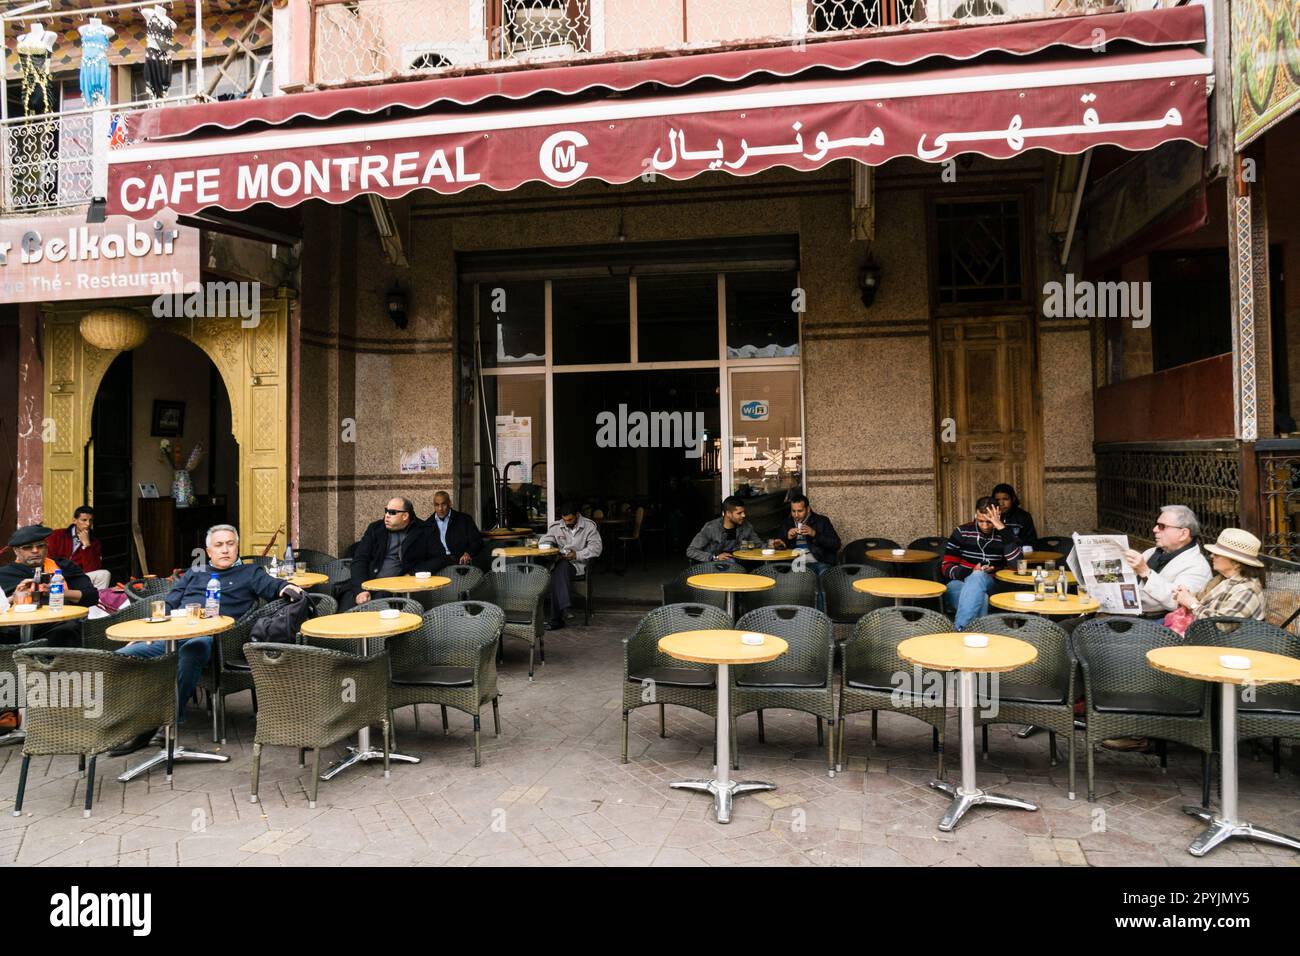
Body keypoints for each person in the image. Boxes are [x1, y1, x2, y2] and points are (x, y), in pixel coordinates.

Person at [111, 524, 302, 755]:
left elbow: (276, 586)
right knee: (120, 658)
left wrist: (288, 588)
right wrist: (146, 631)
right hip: (174, 632)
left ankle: (164, 725)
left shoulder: (250, 573)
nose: (225, 550)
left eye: (230, 544)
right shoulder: (196, 572)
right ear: (208, 551)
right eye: (219, 545)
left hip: (214, 639)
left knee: (194, 649)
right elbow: (170, 603)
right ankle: (129, 724)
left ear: (237, 547)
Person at [0, 525, 100, 646]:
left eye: (40, 546)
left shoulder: (64, 566)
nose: (35, 551)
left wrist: (56, 591)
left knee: (68, 629)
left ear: (47, 547)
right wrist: (16, 596)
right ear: (16, 551)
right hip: (15, 632)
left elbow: (92, 596)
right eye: (28, 547)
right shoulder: (4, 574)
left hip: (57, 626)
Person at [941, 497, 1024, 630]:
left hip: (992, 585)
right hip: (959, 583)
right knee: (981, 598)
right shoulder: (962, 532)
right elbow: (946, 567)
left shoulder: (1006, 535)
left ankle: (959, 630)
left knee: (979, 578)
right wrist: (971, 572)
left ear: (998, 516)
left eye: (989, 522)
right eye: (980, 521)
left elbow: (1017, 566)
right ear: (975, 515)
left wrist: (1001, 529)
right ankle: (978, 634)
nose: (985, 526)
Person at [341, 497, 437, 610]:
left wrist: (412, 574)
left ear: (405, 516)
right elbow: (359, 560)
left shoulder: (424, 530)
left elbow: (439, 558)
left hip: (395, 591)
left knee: (376, 612)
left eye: (392, 512)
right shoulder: (375, 528)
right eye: (386, 511)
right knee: (346, 609)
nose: (387, 515)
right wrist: (360, 590)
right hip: (366, 584)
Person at [1122, 505, 1212, 615]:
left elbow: (1175, 601)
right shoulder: (1154, 551)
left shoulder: (1198, 566)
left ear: (1183, 534)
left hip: (1159, 624)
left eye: (1161, 526)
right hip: (1130, 611)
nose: (1154, 529)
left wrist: (1145, 572)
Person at [1172, 528, 1267, 626]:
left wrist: (1192, 604)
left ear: (1237, 563)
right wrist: (1185, 596)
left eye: (1217, 554)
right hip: (1202, 635)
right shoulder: (1221, 579)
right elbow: (1202, 601)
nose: (1211, 556)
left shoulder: (1247, 590)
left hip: (1224, 640)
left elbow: (1222, 626)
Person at [540, 502, 602, 630]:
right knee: (560, 568)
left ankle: (557, 618)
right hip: (561, 562)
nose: (567, 522)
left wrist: (577, 555)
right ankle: (564, 609)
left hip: (578, 564)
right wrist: (551, 547)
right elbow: (544, 541)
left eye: (570, 519)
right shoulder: (557, 526)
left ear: (577, 515)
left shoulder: (589, 527)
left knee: (557, 573)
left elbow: (596, 548)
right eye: (564, 520)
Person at [45, 505, 111, 592]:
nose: (88, 524)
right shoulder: (57, 535)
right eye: (84, 520)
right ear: (74, 521)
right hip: (56, 577)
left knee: (104, 574)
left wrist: (86, 546)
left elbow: (92, 569)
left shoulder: (94, 542)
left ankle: (95, 603)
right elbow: (47, 558)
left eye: (90, 520)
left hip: (78, 579)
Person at [774, 493, 840, 575]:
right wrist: (787, 539)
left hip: (818, 562)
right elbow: (779, 549)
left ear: (808, 509)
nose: (796, 515)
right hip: (794, 564)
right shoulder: (786, 523)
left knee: (823, 573)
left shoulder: (821, 521)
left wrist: (815, 534)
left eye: (800, 511)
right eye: (793, 511)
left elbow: (836, 544)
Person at [687, 496, 763, 564]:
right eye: (739, 513)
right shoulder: (711, 527)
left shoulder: (746, 526)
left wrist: (771, 545)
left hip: (737, 566)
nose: (744, 515)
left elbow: (759, 545)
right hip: (712, 568)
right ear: (728, 513)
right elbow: (691, 551)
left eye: (744, 512)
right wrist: (714, 557)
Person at [426, 491, 484, 572]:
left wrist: (468, 553)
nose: (440, 508)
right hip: (438, 561)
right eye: (437, 505)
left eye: (443, 504)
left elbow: (477, 541)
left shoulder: (464, 519)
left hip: (459, 560)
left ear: (449, 503)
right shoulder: (428, 524)